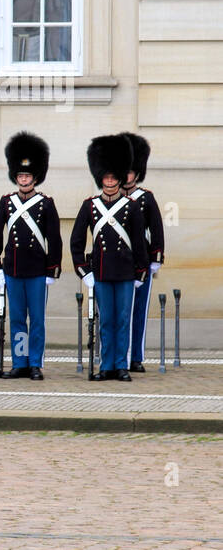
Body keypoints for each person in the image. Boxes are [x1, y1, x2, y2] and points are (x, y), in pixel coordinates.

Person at [71, 135, 148, 381]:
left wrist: (140, 272)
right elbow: (76, 242)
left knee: (123, 320)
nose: (110, 181)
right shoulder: (90, 206)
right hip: (102, 272)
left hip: (125, 273)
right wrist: (85, 271)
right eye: (106, 178)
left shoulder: (132, 207)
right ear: (100, 178)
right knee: (106, 322)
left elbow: (139, 243)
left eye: (113, 177)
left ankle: (121, 365)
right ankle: (106, 365)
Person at [0, 132, 62, 379]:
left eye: (27, 175)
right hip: (14, 271)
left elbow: (55, 239)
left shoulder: (46, 203)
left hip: (37, 272)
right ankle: (19, 361)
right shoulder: (6, 202)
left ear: (35, 177)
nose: (24, 179)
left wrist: (52, 270)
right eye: (20, 175)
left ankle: (35, 363)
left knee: (37, 321)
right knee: (17, 319)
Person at [121, 133, 166, 372]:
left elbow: (156, 229)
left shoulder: (145, 198)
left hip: (141, 263)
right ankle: (118, 356)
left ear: (137, 173)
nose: (127, 176)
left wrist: (155, 259)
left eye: (130, 171)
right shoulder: (110, 200)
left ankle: (135, 357)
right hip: (117, 263)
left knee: (139, 312)